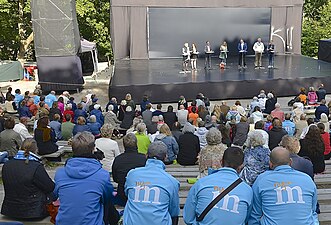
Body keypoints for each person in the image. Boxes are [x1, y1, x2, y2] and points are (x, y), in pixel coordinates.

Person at [54, 132, 119, 225]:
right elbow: (108, 198)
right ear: (93, 149)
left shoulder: (60, 173)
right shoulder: (102, 175)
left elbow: (54, 195)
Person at [248, 147, 318, 225]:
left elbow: (255, 216)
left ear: (270, 164)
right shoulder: (307, 179)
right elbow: (312, 210)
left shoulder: (262, 180)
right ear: (291, 162)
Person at [184, 147, 253, 225]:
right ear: (241, 166)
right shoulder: (247, 190)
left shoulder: (201, 183)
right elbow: (246, 218)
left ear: (221, 162)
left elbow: (188, 218)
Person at [124, 141, 180, 225]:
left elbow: (127, 193)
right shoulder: (171, 181)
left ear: (146, 155)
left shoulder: (132, 174)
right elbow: (174, 211)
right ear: (165, 157)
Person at [1, 138, 55, 219]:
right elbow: (50, 187)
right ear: (36, 150)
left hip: (10, 209)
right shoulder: (36, 166)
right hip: (33, 210)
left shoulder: (7, 165)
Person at [112, 133, 147, 203]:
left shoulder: (118, 159)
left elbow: (115, 179)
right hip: (139, 195)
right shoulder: (144, 159)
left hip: (122, 196)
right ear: (136, 144)